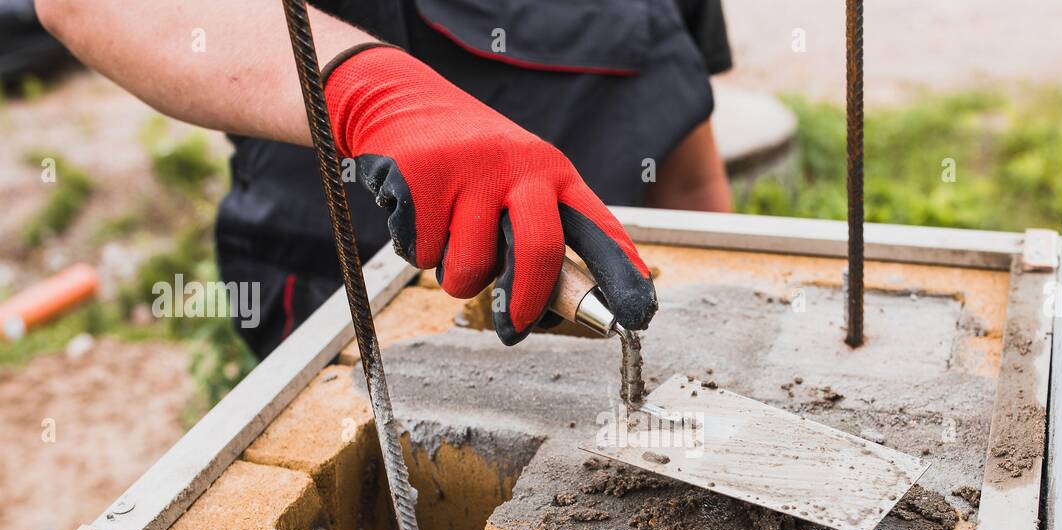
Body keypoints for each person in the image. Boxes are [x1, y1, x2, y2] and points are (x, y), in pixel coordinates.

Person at [34, 0, 733, 355]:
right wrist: (369, 91)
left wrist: (707, 327)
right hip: (342, 299)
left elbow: (690, 167)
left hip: (599, 300)